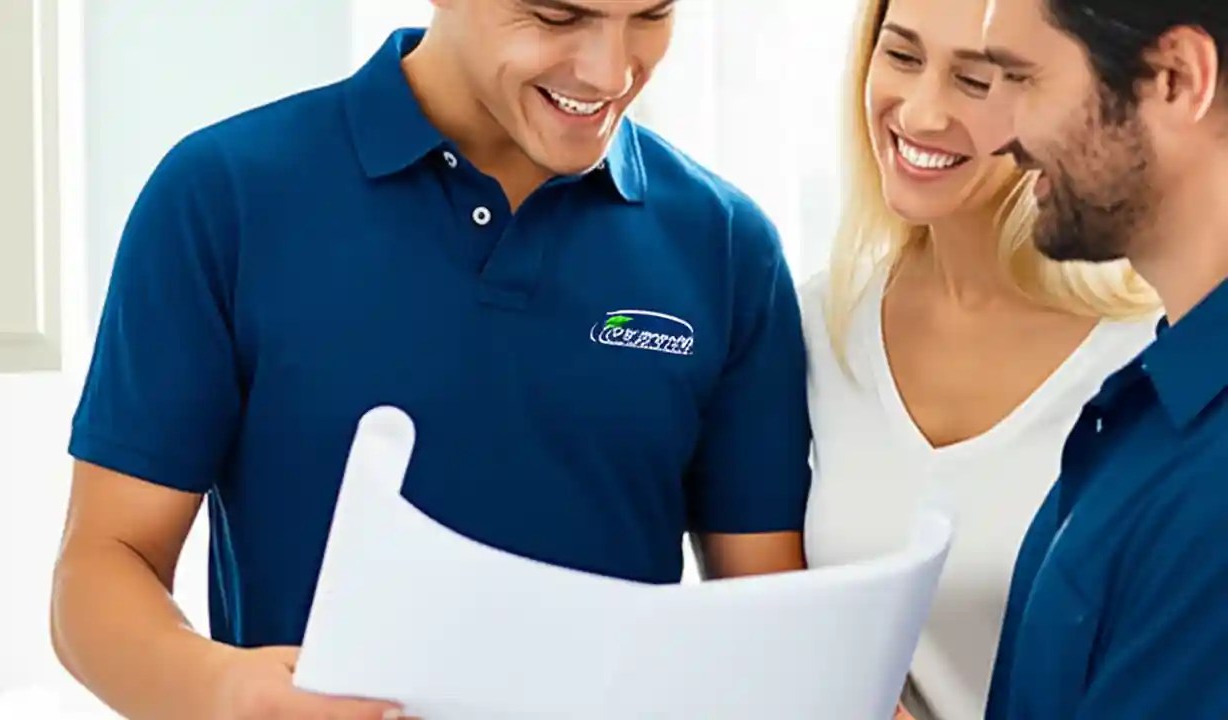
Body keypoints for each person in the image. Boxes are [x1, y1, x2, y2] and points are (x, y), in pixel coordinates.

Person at [50, 1, 813, 717]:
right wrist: (217, 691)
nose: (611, 72)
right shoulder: (226, 195)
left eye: (651, 14)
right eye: (557, 15)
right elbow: (103, 565)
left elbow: (768, 625)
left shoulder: (726, 246)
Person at [796, 0, 1161, 717]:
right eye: (901, 57)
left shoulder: (1154, 352)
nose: (922, 114)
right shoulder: (818, 323)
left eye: (979, 80)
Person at [978, 0, 1228, 717]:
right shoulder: (1157, 409)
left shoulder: (1211, 479)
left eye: (1023, 79)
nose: (998, 135)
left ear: (1176, 77)